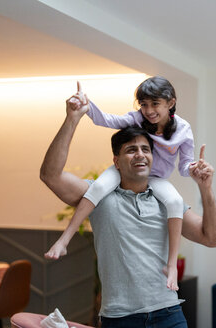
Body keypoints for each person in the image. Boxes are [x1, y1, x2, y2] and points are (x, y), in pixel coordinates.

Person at [40, 95, 216, 328]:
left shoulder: (168, 201)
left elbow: (213, 238)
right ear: (116, 161)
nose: (140, 155)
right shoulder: (98, 197)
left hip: (169, 317)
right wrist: (72, 119)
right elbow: (50, 175)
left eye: (145, 149)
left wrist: (206, 189)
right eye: (131, 149)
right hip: (120, 324)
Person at [45, 77, 193, 291]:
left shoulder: (183, 129)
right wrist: (86, 105)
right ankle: (64, 240)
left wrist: (194, 169)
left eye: (154, 104)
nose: (148, 110)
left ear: (170, 103)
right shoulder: (137, 118)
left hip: (157, 177)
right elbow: (106, 120)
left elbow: (185, 166)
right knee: (97, 188)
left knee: (175, 202)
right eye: (143, 104)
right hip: (126, 171)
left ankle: (171, 266)